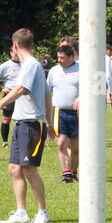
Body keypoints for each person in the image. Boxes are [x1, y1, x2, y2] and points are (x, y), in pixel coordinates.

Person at [0, 28, 52, 223]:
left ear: (15, 45)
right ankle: (21, 212)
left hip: (31, 124)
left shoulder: (31, 65)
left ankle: (42, 213)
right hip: (21, 123)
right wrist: (49, 120)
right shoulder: (32, 65)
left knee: (29, 169)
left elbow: (22, 89)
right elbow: (48, 94)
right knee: (14, 168)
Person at [47, 42, 80, 184]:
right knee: (60, 143)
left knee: (75, 146)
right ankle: (65, 174)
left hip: (76, 114)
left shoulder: (81, 69)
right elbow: (47, 91)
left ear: (71, 57)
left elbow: (90, 88)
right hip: (58, 112)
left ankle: (73, 173)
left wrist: (80, 97)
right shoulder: (54, 71)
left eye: (62, 58)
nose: (59, 60)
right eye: (58, 57)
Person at [0, 51, 21, 147]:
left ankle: (20, 140)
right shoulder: (6, 65)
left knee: (22, 119)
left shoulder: (26, 64)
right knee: (6, 119)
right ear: (11, 53)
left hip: (23, 95)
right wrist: (1, 88)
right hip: (9, 95)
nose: (17, 54)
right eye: (15, 52)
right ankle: (5, 142)